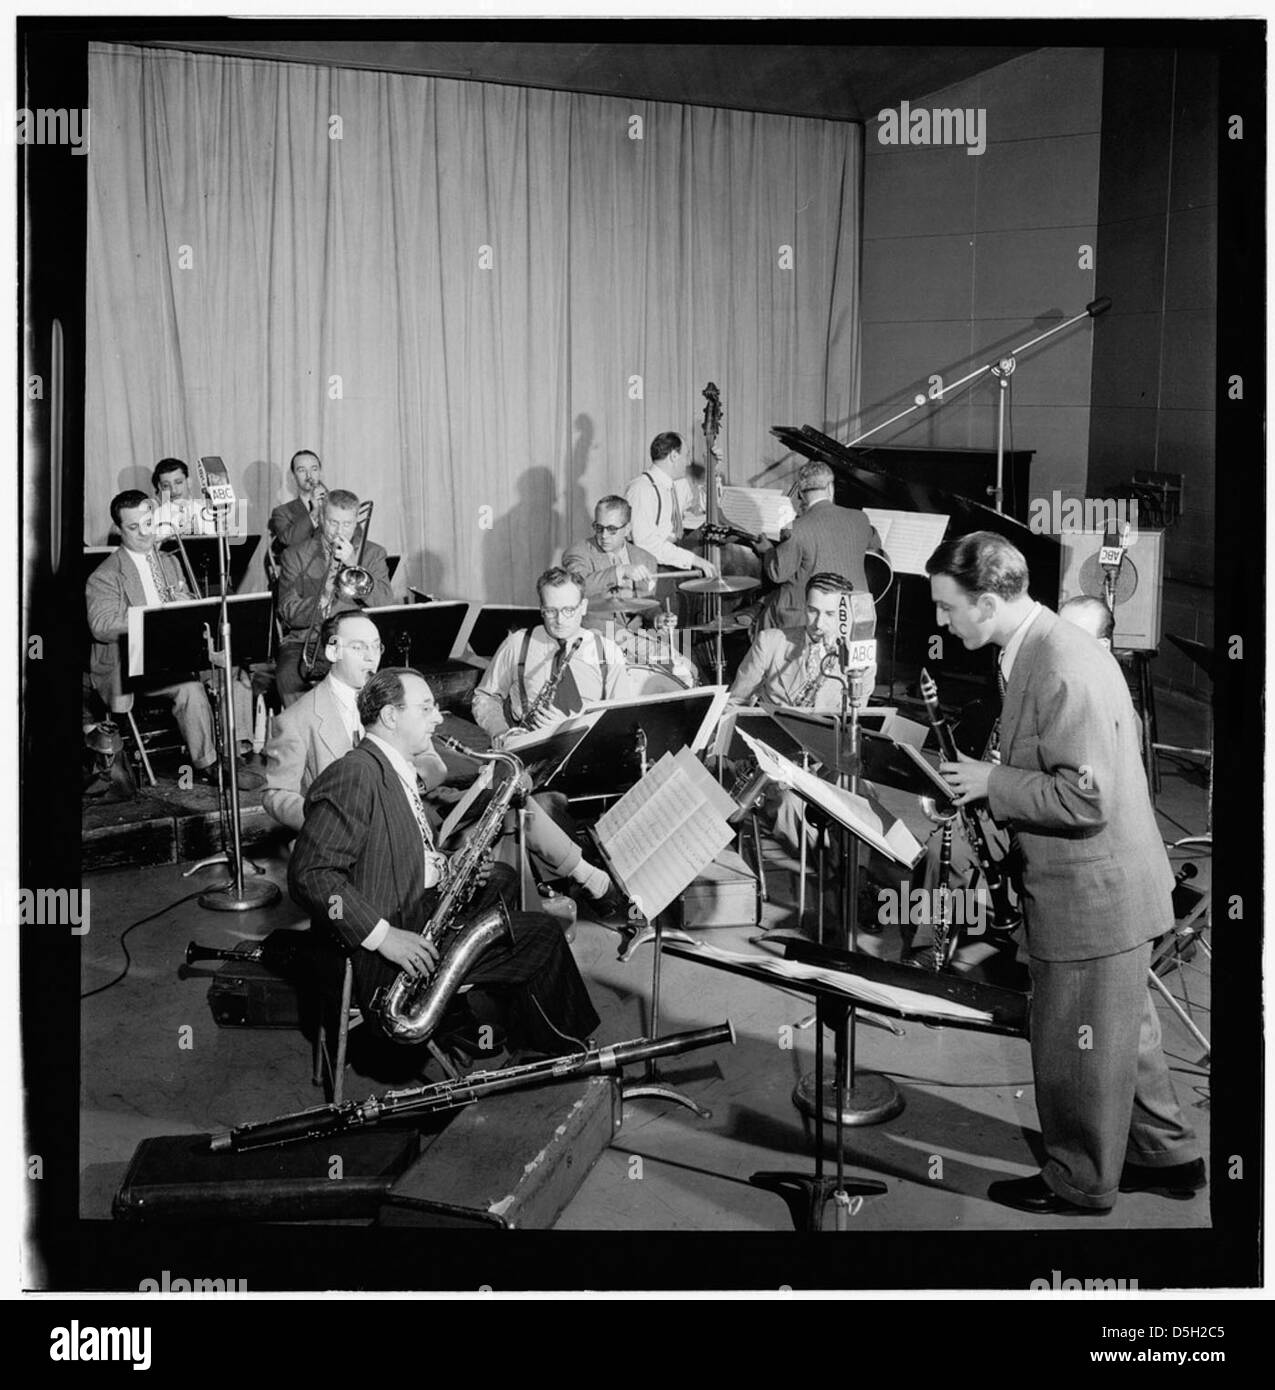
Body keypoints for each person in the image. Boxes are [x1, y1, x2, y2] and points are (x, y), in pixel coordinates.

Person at [926, 530, 1203, 1214]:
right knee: (1122, 1035)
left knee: (1074, 1048)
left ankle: (1080, 1181)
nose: (940, 620)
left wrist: (993, 781)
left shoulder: (1057, 665)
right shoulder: (1041, 644)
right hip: (1116, 888)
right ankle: (1165, 1158)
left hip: (1091, 895)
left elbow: (1083, 798)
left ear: (987, 602)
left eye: (947, 606)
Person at [289, 668, 600, 1056]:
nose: (438, 718)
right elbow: (311, 875)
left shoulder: (393, 767)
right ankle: (564, 1053)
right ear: (389, 716)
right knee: (542, 934)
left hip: (411, 904)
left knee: (499, 878)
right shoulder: (355, 774)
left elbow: (397, 847)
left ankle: (464, 1016)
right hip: (390, 952)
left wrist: (449, 865)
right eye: (425, 709)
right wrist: (383, 936)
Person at [86, 490, 256, 785]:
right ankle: (208, 764)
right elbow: (100, 625)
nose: (144, 533)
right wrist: (151, 619)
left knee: (236, 673)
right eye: (133, 527)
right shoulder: (106, 574)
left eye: (148, 522)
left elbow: (192, 608)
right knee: (188, 688)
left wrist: (185, 604)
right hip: (132, 662)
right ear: (119, 530)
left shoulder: (171, 562)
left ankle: (234, 754)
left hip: (178, 651)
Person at [263, 609, 446, 832]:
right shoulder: (295, 719)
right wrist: (322, 821)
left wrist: (410, 782)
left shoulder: (397, 696)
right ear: (332, 652)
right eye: (358, 647)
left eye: (376, 646)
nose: (371, 657)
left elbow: (432, 761)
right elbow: (276, 794)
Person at [473, 566, 630, 741]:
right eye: (550, 611)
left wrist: (572, 726)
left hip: (588, 746)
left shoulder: (608, 651)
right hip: (529, 745)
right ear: (541, 608)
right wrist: (501, 734)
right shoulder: (517, 643)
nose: (560, 620)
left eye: (568, 610)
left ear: (583, 607)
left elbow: (622, 718)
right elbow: (486, 696)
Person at [275, 488, 394, 706]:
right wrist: (323, 599)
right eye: (332, 522)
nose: (339, 531)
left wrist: (354, 566)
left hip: (356, 642)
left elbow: (385, 602)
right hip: (307, 639)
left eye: (347, 524)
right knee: (289, 678)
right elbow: (287, 611)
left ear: (356, 520)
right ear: (321, 518)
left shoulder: (373, 553)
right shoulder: (295, 555)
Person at [747, 460, 881, 631]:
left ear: (801, 494)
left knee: (762, 619)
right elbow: (875, 543)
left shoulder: (796, 527)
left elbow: (777, 573)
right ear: (830, 488)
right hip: (853, 613)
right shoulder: (860, 518)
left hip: (809, 615)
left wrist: (766, 549)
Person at [730, 572, 876, 712]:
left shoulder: (862, 662)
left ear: (846, 615)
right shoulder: (768, 642)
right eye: (813, 611)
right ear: (805, 606)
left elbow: (857, 717)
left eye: (830, 614)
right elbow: (735, 704)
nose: (818, 624)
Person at [624, 432, 719, 579]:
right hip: (649, 568)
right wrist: (694, 559)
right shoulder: (641, 489)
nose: (688, 463)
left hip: (672, 557)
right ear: (674, 456)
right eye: (686, 455)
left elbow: (700, 509)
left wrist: (712, 471)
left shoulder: (679, 484)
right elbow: (646, 545)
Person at [270, 449, 326, 559]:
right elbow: (288, 540)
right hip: (302, 570)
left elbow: (356, 532)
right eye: (301, 470)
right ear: (293, 476)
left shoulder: (335, 503)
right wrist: (315, 512)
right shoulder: (282, 512)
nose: (309, 475)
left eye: (314, 469)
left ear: (320, 473)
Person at [151, 458, 213, 537]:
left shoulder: (209, 512)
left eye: (178, 482)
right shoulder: (156, 517)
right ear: (160, 487)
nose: (173, 490)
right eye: (166, 485)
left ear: (189, 482)